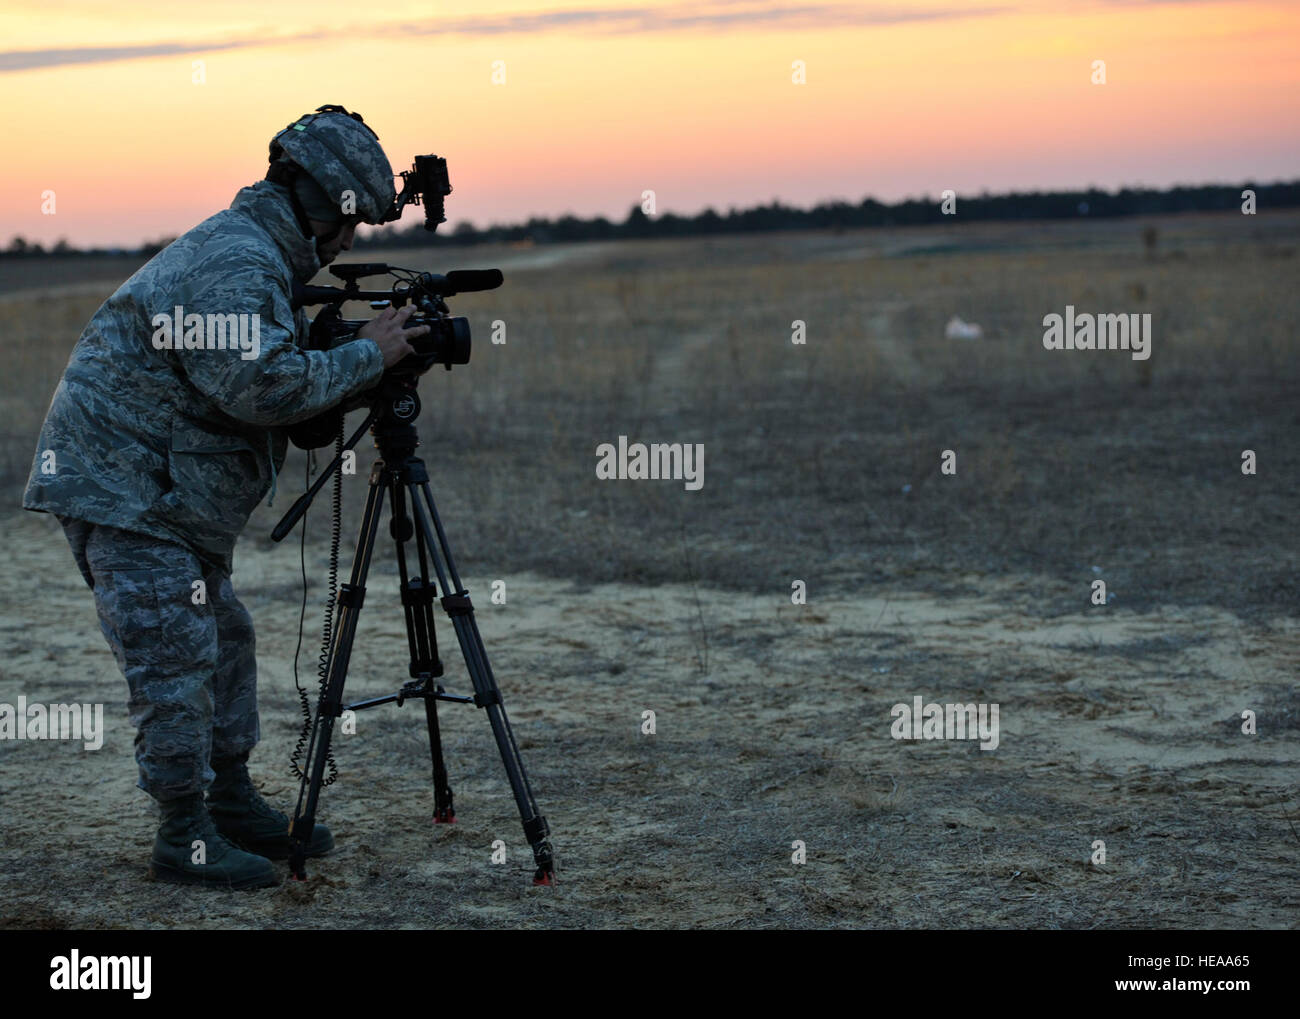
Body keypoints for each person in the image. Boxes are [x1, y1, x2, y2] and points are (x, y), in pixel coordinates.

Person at [22, 105, 428, 889]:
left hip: (169, 493)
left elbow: (270, 363)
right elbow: (263, 384)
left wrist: (347, 352)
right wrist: (368, 358)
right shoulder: (236, 263)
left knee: (225, 640)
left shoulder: (256, 259)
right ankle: (184, 833)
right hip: (128, 488)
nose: (347, 244)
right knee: (176, 655)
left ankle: (231, 799)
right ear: (316, 202)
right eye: (347, 225)